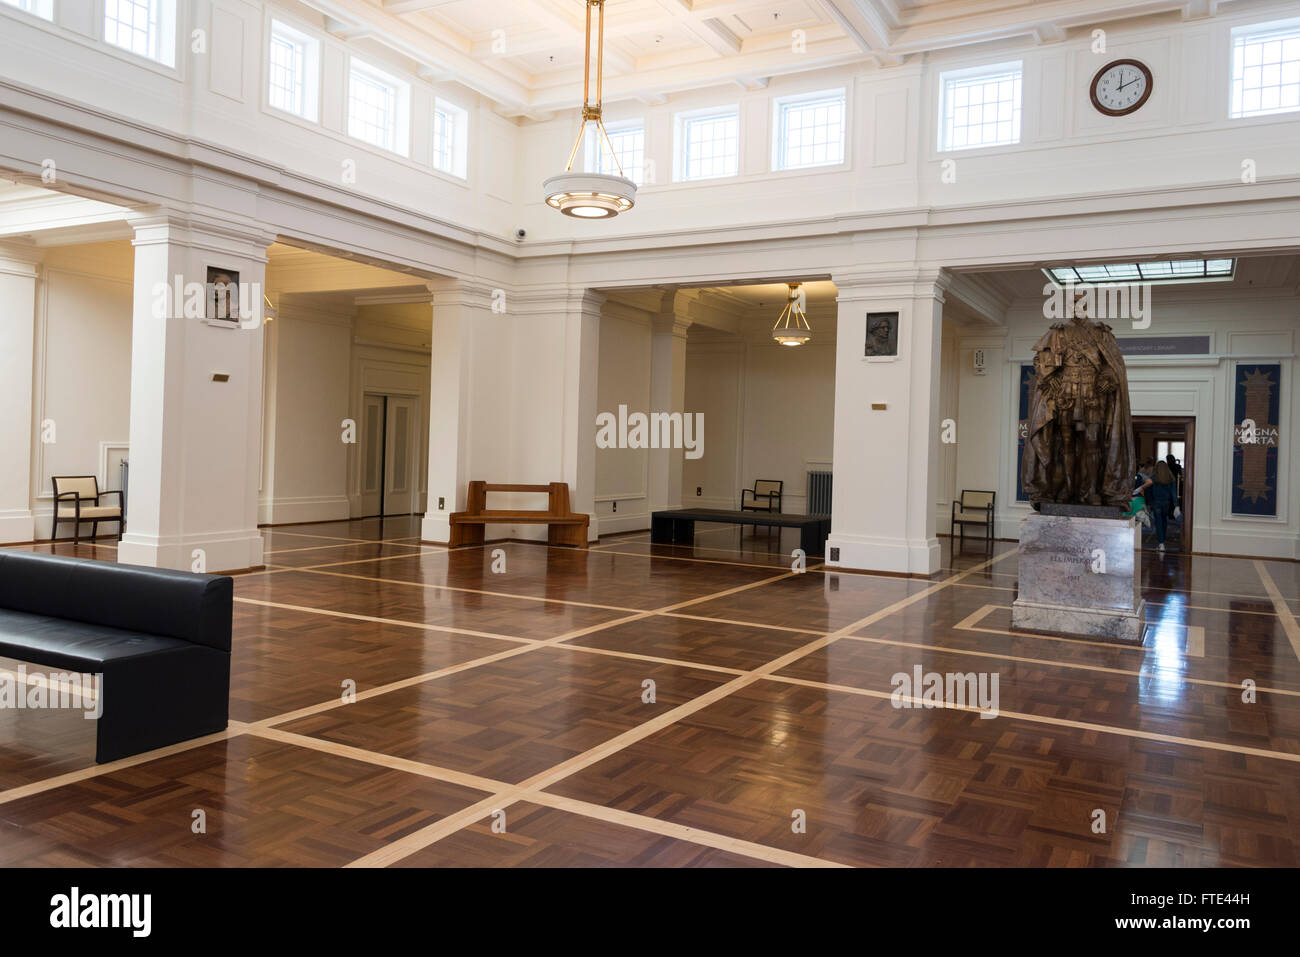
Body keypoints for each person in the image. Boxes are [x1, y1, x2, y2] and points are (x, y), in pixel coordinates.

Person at [1147, 459, 1178, 553]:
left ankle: (1161, 544)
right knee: (1164, 521)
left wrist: (1148, 504)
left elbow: (1149, 493)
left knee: (1158, 523)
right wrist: (1176, 505)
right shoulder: (1171, 478)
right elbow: (1173, 493)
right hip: (1166, 503)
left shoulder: (1153, 478)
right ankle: (1162, 541)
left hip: (1156, 503)